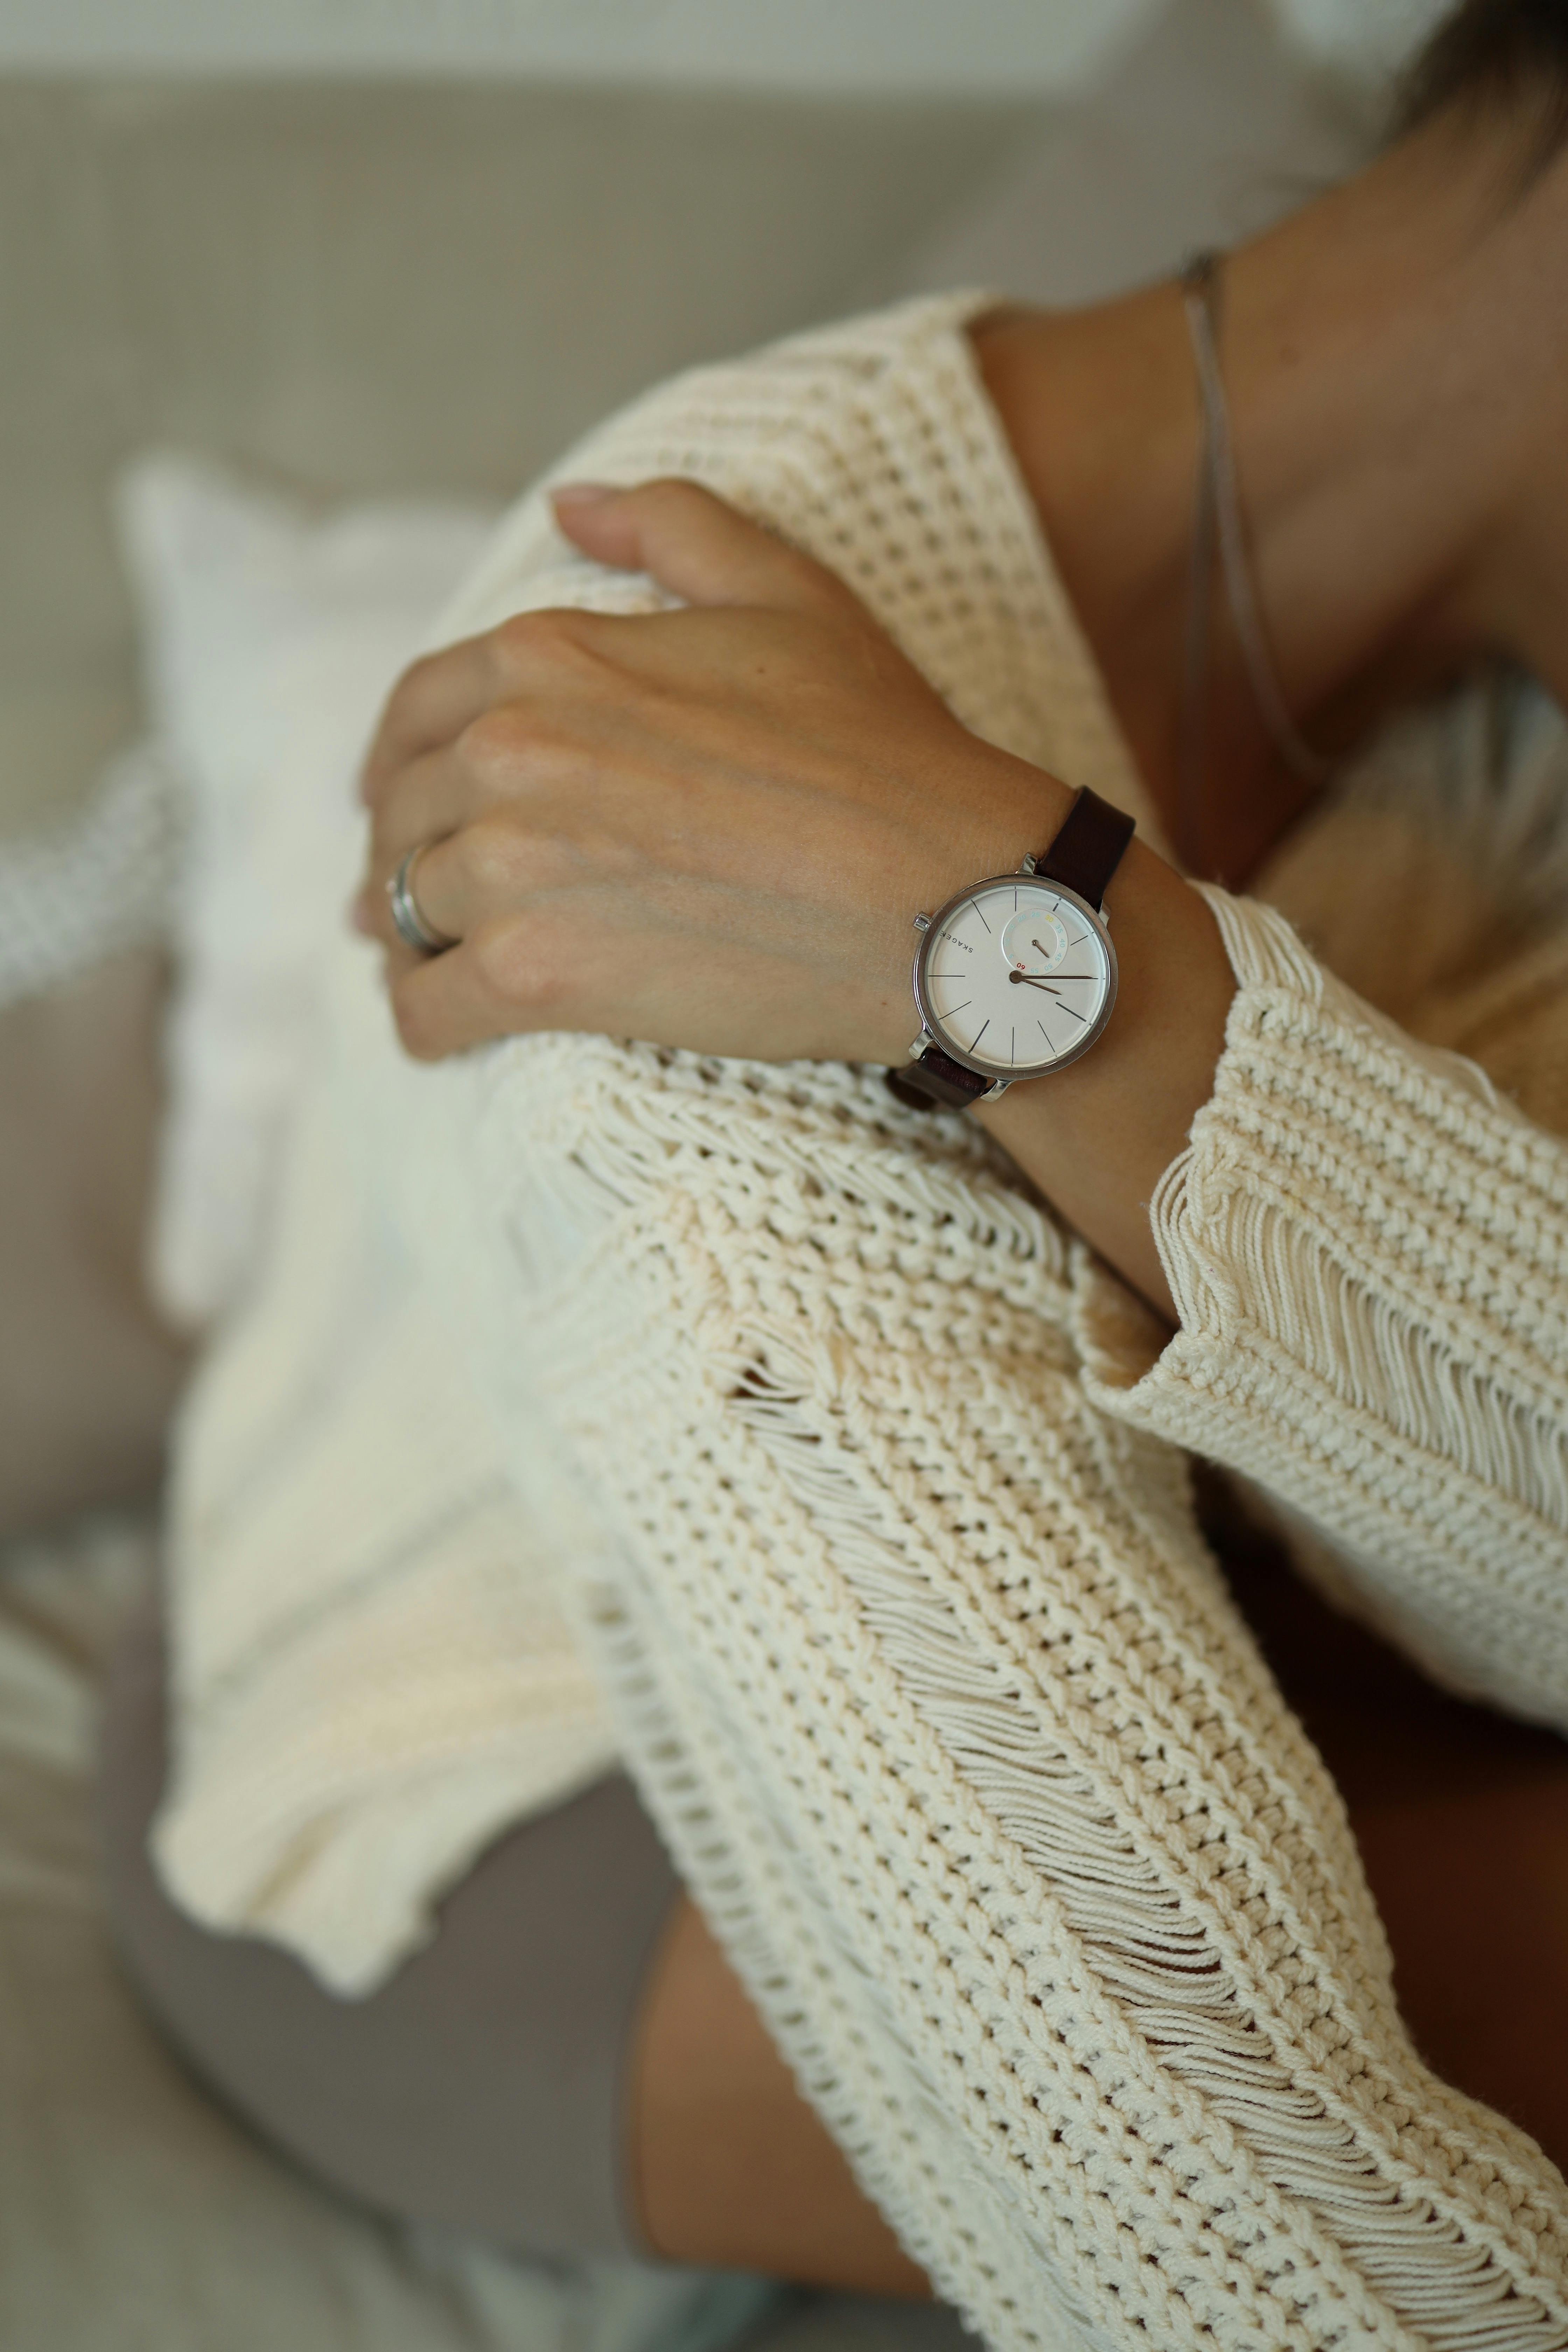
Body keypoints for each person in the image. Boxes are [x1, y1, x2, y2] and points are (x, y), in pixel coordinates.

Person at [99, 3, 1568, 2345]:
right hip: (470, 1738)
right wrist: (1033, 955)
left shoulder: (1489, 715)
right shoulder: (668, 704)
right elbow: (1220, 2222)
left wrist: (1056, 951)